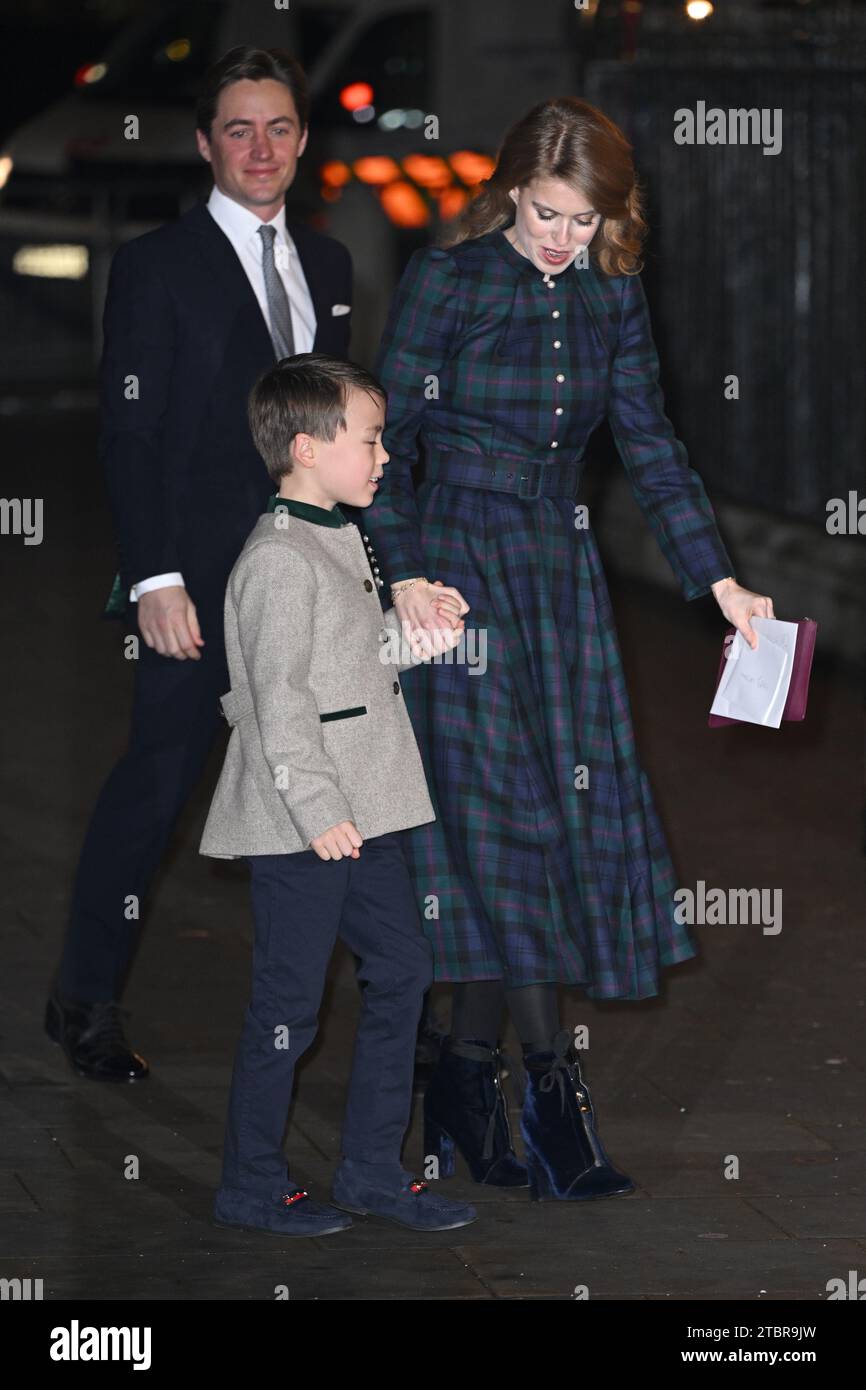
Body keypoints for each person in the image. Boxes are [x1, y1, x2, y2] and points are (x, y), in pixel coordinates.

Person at [360, 96, 776, 1201]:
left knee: (542, 826)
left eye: (582, 221)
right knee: (512, 829)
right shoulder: (447, 281)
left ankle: (458, 1077)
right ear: (508, 193)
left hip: (557, 571)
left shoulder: (610, 291)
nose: (560, 239)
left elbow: (647, 440)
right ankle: (551, 1098)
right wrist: (402, 572)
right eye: (545, 214)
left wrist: (718, 581)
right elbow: (386, 446)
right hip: (451, 574)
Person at [45, 48, 354, 1082]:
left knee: (330, 772)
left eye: (277, 128)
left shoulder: (332, 264)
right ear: (203, 146)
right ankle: (83, 997)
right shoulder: (155, 265)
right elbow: (130, 439)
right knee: (159, 780)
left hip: (309, 577)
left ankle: (337, 993)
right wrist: (153, 578)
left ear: (302, 141)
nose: (259, 148)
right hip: (196, 584)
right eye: (237, 129)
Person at [201, 353, 476, 1236]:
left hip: (366, 810)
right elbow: (278, 702)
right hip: (305, 820)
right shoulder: (279, 559)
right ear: (311, 449)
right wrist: (318, 813)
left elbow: (347, 669)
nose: (386, 456)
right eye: (372, 439)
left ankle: (370, 1172)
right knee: (288, 1006)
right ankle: (249, 1182)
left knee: (401, 973)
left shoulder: (338, 536)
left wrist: (413, 632)